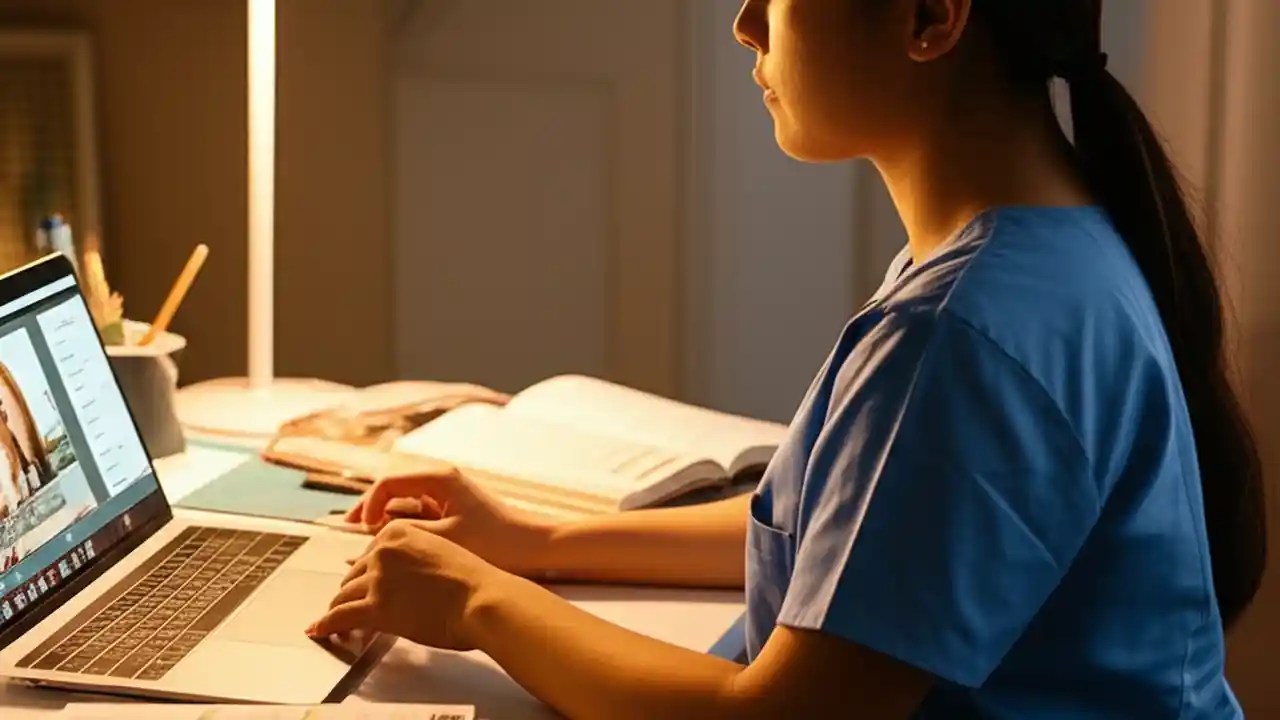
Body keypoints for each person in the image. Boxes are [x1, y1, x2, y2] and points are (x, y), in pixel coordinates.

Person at [309, 0, 1269, 717]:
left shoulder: (964, 333)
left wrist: (480, 602)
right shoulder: (1039, 251)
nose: (743, 25)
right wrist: (542, 544)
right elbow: (852, 537)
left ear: (931, 18)